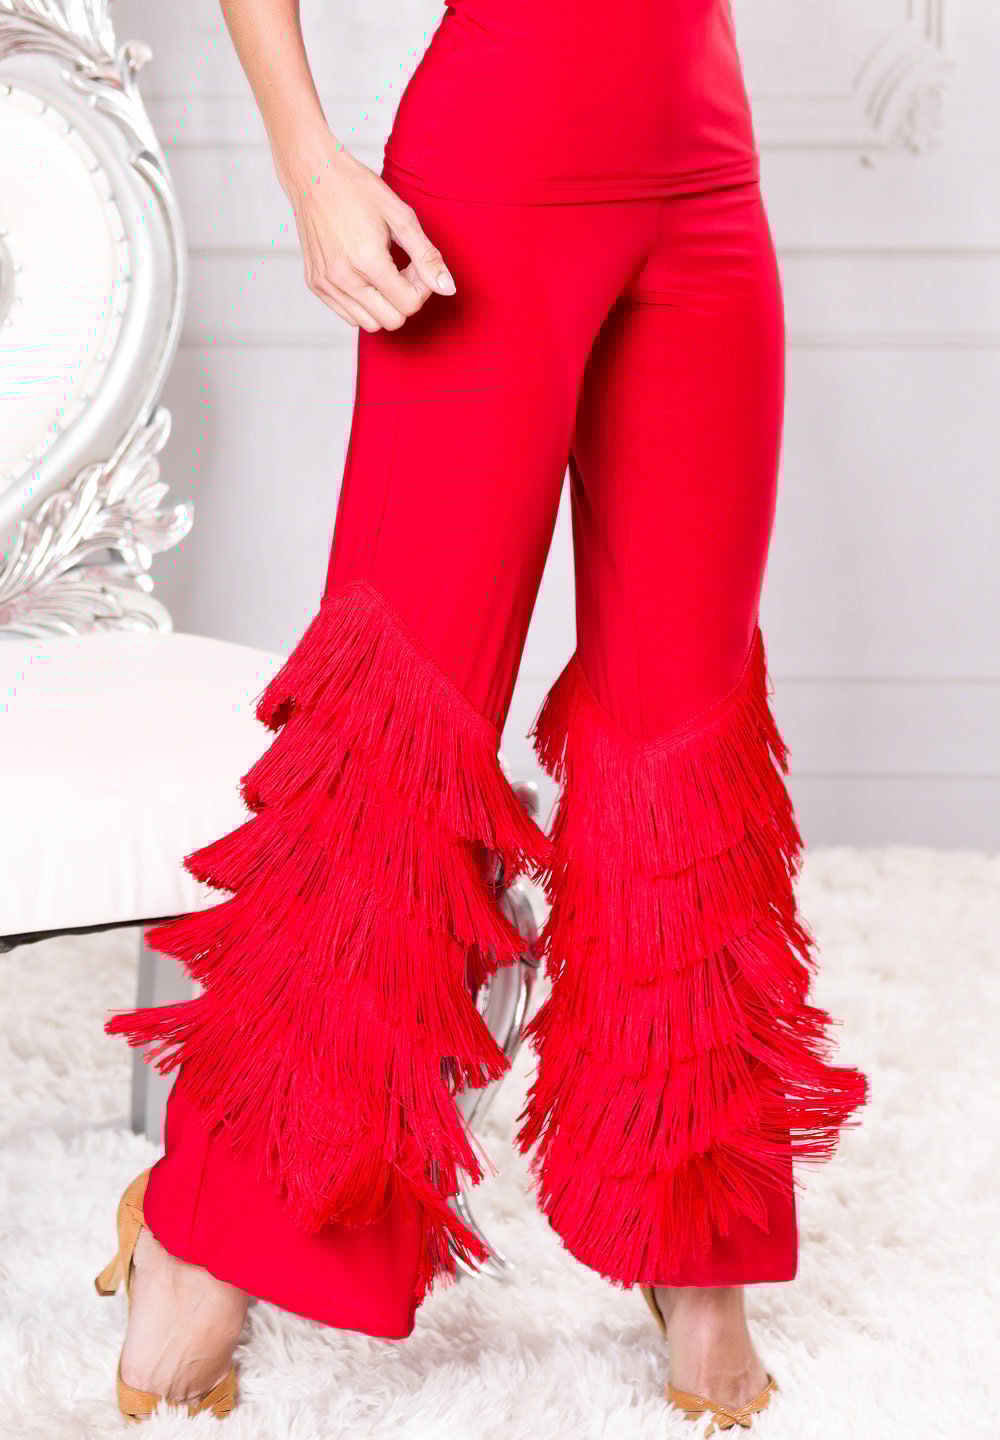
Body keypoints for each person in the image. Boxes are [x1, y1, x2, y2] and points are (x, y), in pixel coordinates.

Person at [97, 0, 869, 1428]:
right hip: (489, 192)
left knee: (684, 735)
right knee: (403, 737)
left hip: (706, 185)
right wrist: (312, 168)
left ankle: (693, 1239)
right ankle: (209, 1227)